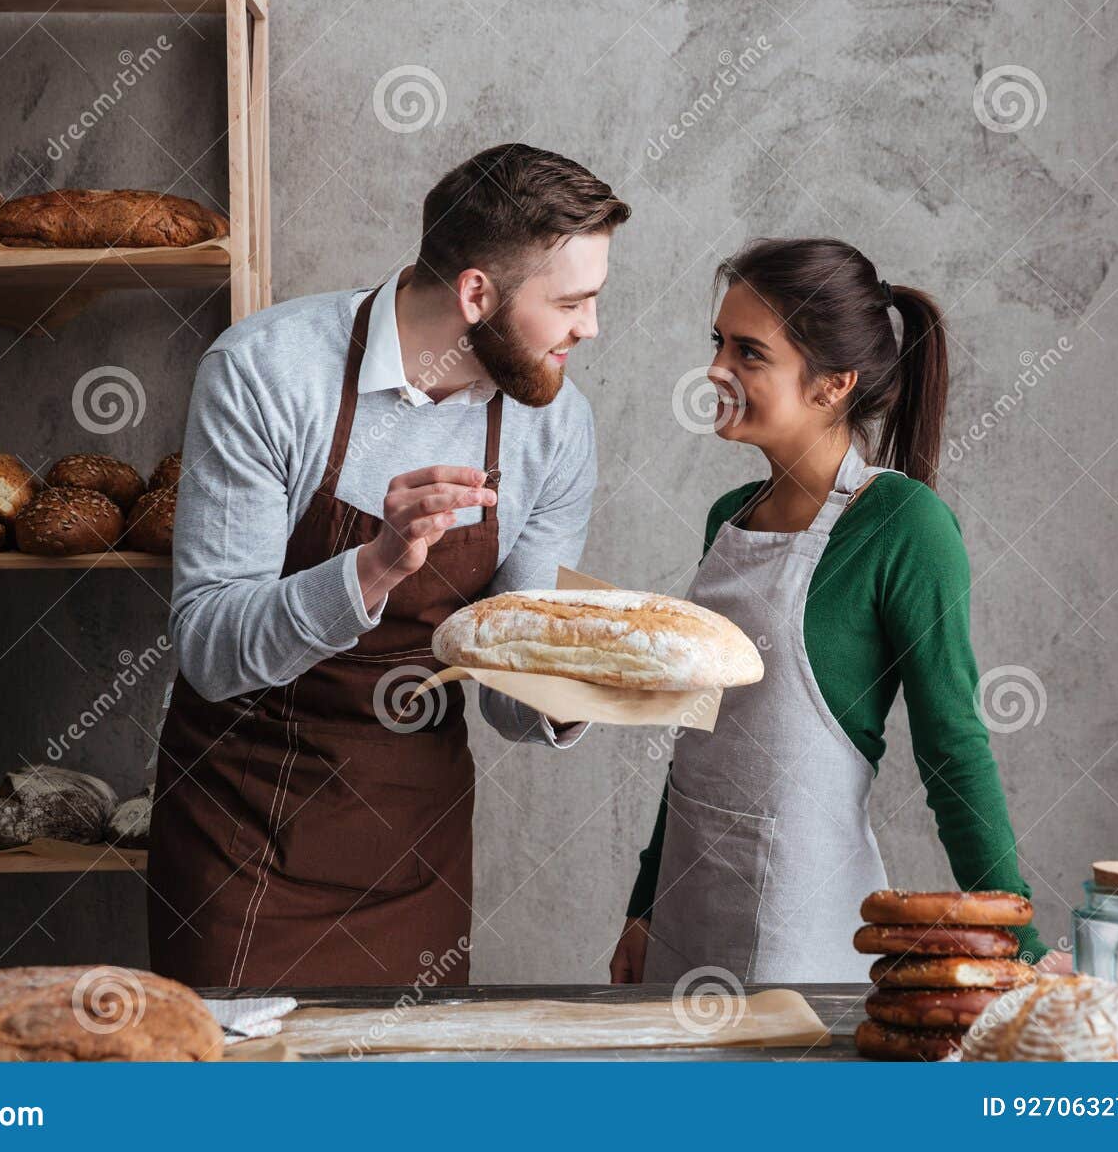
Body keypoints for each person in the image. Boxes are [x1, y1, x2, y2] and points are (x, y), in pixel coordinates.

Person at [149, 143, 628, 987]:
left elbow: (505, 679)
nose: (589, 329)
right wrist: (373, 567)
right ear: (477, 293)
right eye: (573, 303)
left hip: (415, 842)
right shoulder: (266, 372)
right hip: (244, 832)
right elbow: (210, 650)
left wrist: (581, 681)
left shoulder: (555, 424)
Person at [610, 237, 1071, 983]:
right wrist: (644, 904)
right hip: (687, 916)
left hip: (802, 938)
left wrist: (1019, 940)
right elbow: (699, 738)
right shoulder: (729, 519)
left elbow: (952, 746)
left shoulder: (904, 525)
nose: (717, 370)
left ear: (833, 385)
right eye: (717, 343)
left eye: (749, 353)